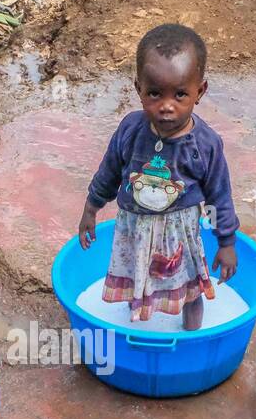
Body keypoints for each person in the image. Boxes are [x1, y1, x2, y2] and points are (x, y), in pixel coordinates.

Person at [77, 23, 239, 330]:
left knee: (189, 289)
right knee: (134, 275)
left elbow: (219, 197)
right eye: (154, 93)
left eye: (180, 94)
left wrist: (226, 242)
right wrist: (90, 208)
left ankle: (192, 338)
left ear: (199, 92)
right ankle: (132, 329)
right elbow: (109, 172)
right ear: (138, 88)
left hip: (178, 237)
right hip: (133, 230)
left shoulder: (205, 145)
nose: (166, 106)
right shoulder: (130, 130)